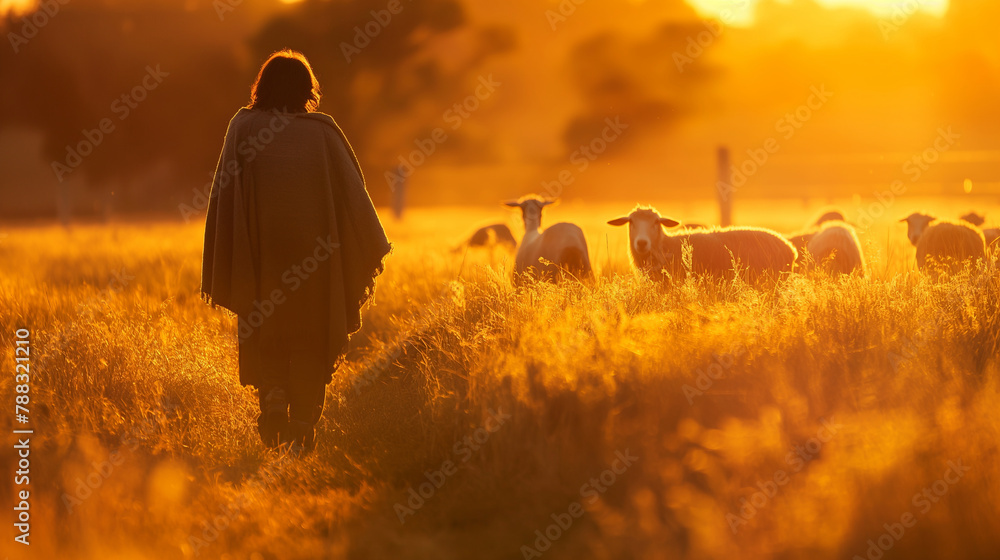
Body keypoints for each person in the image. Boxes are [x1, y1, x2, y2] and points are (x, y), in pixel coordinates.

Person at [201, 50, 391, 454]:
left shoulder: (243, 126)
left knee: (268, 331)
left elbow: (223, 194)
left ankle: (272, 397)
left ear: (262, 86)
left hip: (261, 259)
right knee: (310, 338)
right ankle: (303, 423)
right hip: (317, 261)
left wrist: (232, 256)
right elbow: (354, 197)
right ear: (308, 90)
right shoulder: (323, 133)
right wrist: (368, 248)